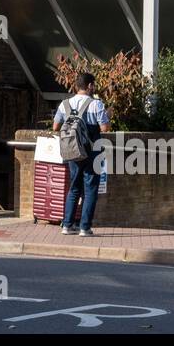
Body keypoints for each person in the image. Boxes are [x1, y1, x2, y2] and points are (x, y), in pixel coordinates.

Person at [52, 72, 110, 237]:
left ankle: (67, 225)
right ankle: (85, 227)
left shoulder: (65, 104)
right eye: (94, 85)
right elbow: (105, 128)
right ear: (90, 85)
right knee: (90, 188)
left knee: (74, 188)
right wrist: (108, 116)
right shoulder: (96, 104)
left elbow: (56, 126)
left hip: (72, 150)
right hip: (92, 152)